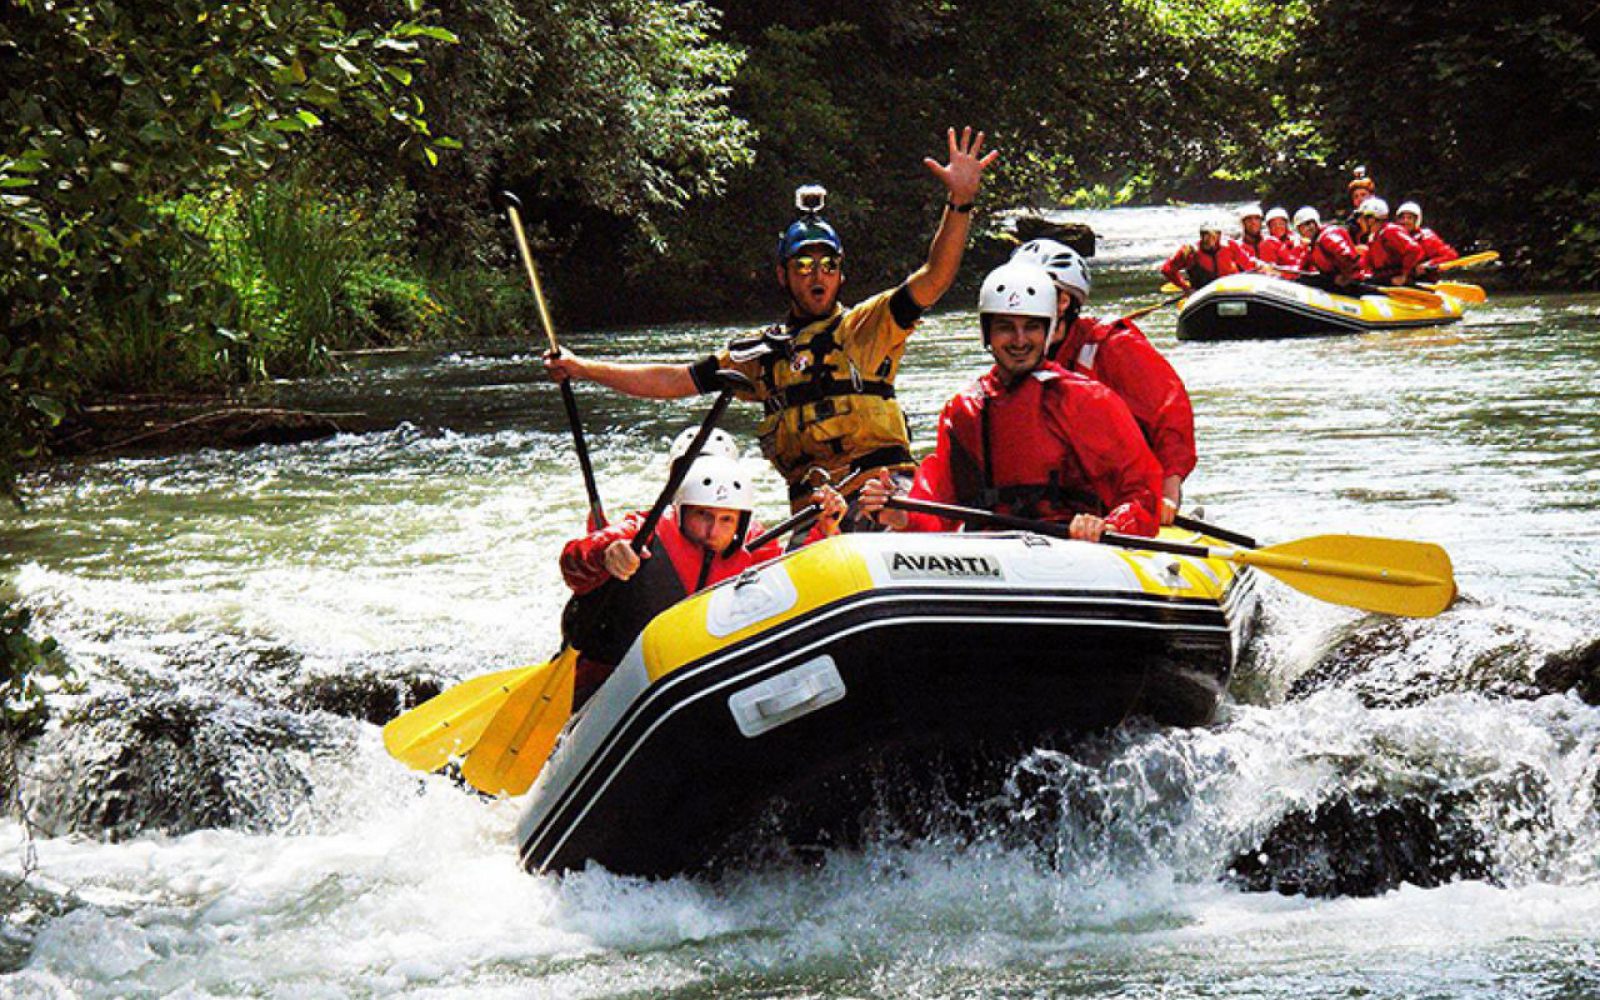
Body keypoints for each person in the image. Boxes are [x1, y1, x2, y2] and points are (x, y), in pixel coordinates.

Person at [545, 126, 999, 517]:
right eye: (803, 266)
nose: (816, 275)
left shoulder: (870, 325)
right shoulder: (760, 357)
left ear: (842, 273)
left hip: (880, 492)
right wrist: (584, 368)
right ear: (783, 274)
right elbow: (674, 381)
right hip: (811, 508)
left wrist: (959, 202)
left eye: (827, 265)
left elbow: (935, 276)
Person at [856, 261, 1163, 542]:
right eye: (1005, 327)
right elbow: (940, 506)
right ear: (987, 333)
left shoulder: (1088, 401)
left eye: (1031, 326)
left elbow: (1142, 492)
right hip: (993, 554)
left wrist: (1110, 525)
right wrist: (901, 514)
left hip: (1071, 548)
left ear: (1048, 331)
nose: (1019, 340)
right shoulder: (964, 410)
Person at [560, 446, 846, 705]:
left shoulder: (756, 546)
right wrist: (604, 553)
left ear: (740, 521)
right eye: (702, 515)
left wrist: (824, 532)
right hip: (611, 678)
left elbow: (793, 591)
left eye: (726, 520)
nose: (712, 532)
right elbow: (573, 562)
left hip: (700, 681)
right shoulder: (644, 530)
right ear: (682, 511)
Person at [1011, 239, 1195, 524]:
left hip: (1120, 501)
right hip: (1053, 505)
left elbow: (1169, 413)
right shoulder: (1014, 355)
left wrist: (1168, 494)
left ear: (1063, 301)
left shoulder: (1112, 346)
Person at [1159, 218, 1259, 293]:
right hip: (1203, 292)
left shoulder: (1230, 245)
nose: (1210, 238)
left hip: (1230, 290)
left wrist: (1263, 267)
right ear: (1201, 235)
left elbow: (1248, 264)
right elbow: (1167, 269)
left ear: (1219, 235)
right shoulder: (1189, 251)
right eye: (1206, 234)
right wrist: (1185, 287)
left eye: (1214, 235)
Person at [1293, 207, 1371, 291]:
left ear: (1316, 222)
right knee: (1302, 280)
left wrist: (1346, 277)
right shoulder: (1312, 244)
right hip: (1333, 279)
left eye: (1308, 224)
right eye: (1301, 227)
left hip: (1351, 282)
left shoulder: (1328, 236)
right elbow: (1303, 267)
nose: (1306, 229)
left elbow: (1348, 257)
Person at [1354, 198, 1424, 286]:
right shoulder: (1373, 237)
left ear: (1371, 219)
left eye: (1362, 218)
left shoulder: (1390, 231)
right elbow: (1368, 263)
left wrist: (1403, 275)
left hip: (1397, 283)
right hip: (1384, 280)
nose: (1358, 221)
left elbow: (1414, 249)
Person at [1395, 201, 1459, 274]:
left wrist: (1429, 264)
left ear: (1416, 221)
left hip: (1422, 280)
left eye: (1409, 218)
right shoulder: (1392, 237)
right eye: (1402, 218)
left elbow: (1451, 256)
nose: (1405, 221)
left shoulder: (1427, 237)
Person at [1345, 166, 1378, 245]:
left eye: (1363, 195)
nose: (1360, 199)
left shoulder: (1380, 214)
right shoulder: (1352, 220)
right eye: (1356, 196)